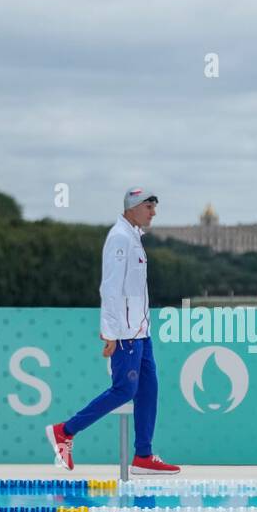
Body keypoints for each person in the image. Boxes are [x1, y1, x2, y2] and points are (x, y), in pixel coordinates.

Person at [45, 187, 180, 474]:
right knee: (124, 390)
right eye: (149, 207)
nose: (153, 213)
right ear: (133, 208)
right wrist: (110, 332)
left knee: (148, 390)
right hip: (125, 333)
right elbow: (110, 288)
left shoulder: (133, 237)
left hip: (140, 331)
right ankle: (65, 431)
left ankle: (143, 455)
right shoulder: (120, 238)